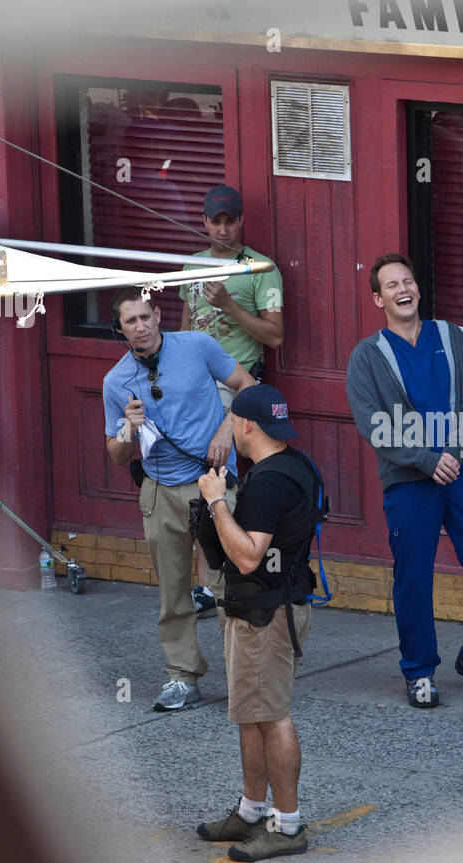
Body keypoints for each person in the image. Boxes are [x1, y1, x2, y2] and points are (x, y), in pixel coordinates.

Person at [345, 253, 463, 708]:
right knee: (414, 577)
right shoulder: (367, 356)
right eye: (391, 285)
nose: (402, 289)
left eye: (408, 280)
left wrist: (455, 454)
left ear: (418, 289)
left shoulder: (451, 336)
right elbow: (373, 425)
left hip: (462, 470)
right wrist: (427, 460)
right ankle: (420, 671)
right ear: (377, 298)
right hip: (408, 480)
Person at [103, 287, 255, 711]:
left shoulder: (197, 346)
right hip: (158, 490)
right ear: (121, 330)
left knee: (229, 585)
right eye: (131, 321)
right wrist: (126, 430)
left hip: (211, 481)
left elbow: (248, 386)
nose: (141, 326)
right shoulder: (115, 381)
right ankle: (182, 676)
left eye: (146, 316)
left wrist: (228, 428)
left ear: (158, 315)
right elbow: (116, 455)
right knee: (173, 592)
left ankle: (243, 674)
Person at [194, 384, 322, 862]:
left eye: (231, 421)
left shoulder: (268, 481)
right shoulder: (297, 465)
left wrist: (216, 501)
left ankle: (286, 826)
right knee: (251, 712)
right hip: (267, 607)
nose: (229, 428)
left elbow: (248, 556)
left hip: (266, 614)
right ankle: (251, 811)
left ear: (246, 424)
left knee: (270, 714)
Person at [179, 184, 284, 620]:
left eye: (230, 220)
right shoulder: (190, 265)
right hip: (193, 383)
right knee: (188, 476)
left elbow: (274, 335)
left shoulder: (260, 267)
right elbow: (183, 328)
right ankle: (204, 581)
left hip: (238, 383)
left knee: (224, 480)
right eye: (214, 221)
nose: (222, 228)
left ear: (241, 222)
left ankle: (227, 574)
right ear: (204, 222)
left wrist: (228, 306)